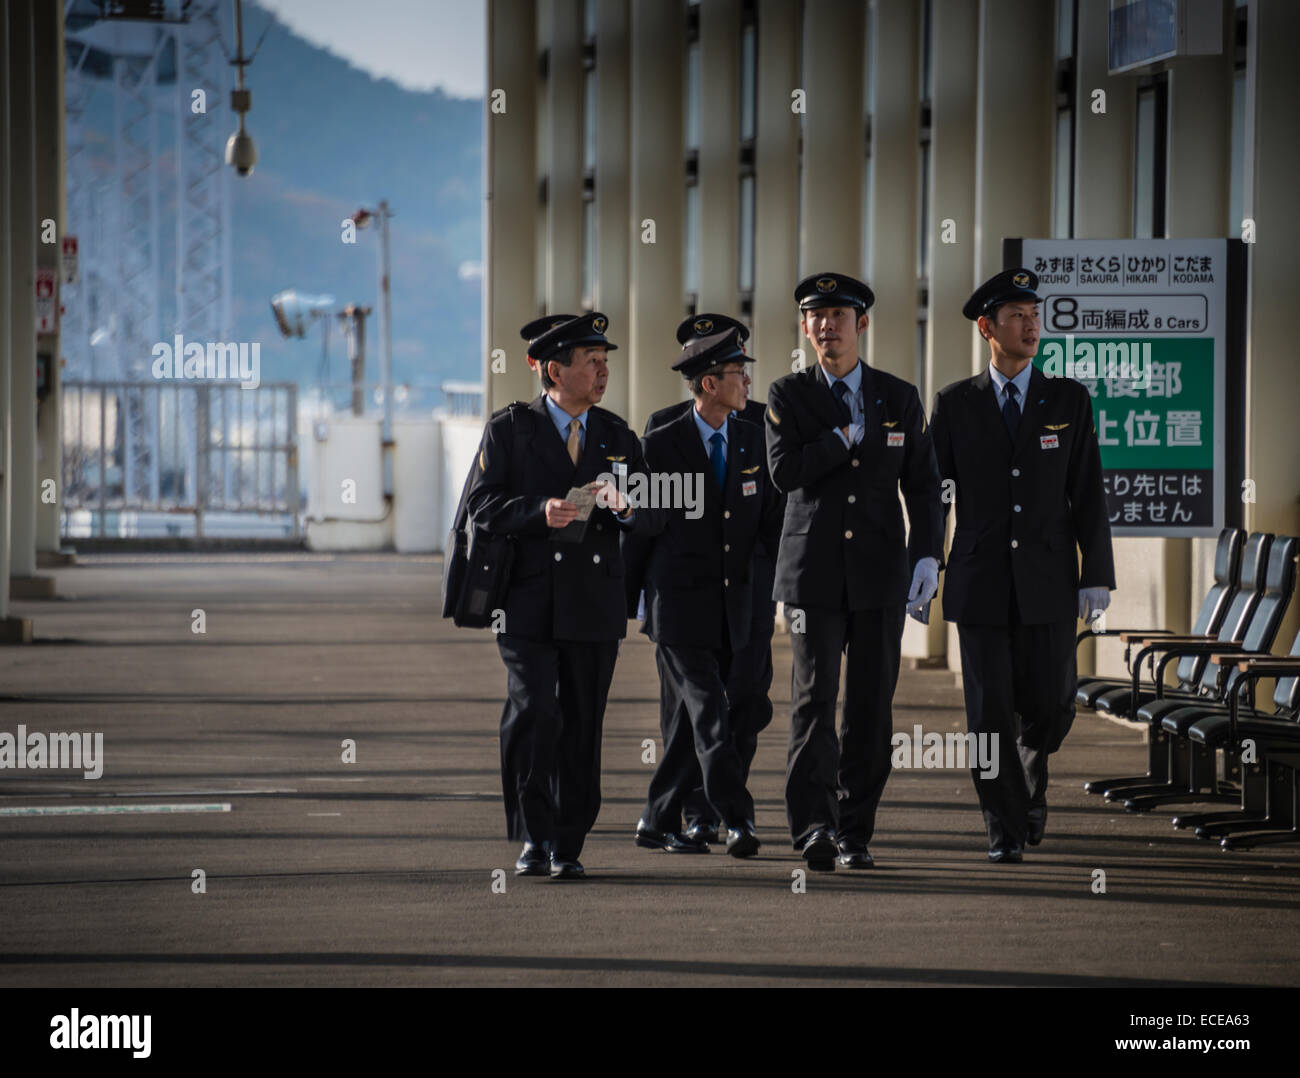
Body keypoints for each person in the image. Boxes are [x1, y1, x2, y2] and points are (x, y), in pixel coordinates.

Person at [930, 268, 1115, 862]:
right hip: (980, 581)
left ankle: (1031, 778)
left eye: (1034, 313)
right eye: (1015, 315)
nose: (1030, 323)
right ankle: (1003, 825)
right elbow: (932, 491)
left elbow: (1087, 491)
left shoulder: (1067, 399)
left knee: (1052, 706)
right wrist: (924, 562)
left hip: (1048, 579)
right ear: (987, 327)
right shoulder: (955, 404)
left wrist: (1097, 572)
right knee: (987, 713)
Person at [765, 272, 943, 871]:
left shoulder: (898, 396)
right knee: (814, 701)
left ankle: (855, 830)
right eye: (815, 317)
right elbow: (784, 471)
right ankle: (813, 826)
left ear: (861, 325)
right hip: (813, 575)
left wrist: (926, 555)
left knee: (870, 708)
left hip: (878, 576)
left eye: (837, 316)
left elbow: (924, 487)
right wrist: (840, 440)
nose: (826, 327)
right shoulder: (788, 395)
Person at [465, 312, 652, 880]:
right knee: (535, 712)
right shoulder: (510, 430)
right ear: (554, 369)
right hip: (527, 602)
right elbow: (482, 504)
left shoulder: (618, 435)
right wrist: (538, 512)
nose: (603, 372)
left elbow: (647, 507)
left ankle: (570, 840)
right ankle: (535, 836)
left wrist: (626, 506)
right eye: (591, 362)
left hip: (593, 606)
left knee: (582, 722)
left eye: (605, 361)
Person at [624, 327, 783, 857]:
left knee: (733, 711)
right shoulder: (662, 444)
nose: (747, 382)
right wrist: (633, 597)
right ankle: (736, 819)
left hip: (739, 606)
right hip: (680, 610)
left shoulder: (752, 438)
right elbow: (646, 523)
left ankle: (655, 817)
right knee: (709, 711)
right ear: (709, 384)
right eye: (739, 374)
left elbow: (772, 521)